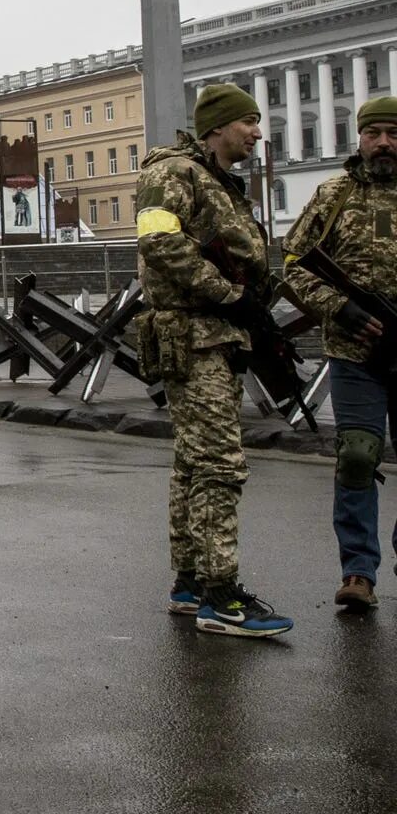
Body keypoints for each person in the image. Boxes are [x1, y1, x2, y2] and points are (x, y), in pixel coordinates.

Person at [135, 83, 293, 637]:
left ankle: (190, 583)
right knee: (221, 464)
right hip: (193, 334)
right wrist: (230, 296)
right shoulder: (173, 172)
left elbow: (248, 261)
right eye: (248, 122)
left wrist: (262, 305)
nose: (256, 132)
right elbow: (159, 243)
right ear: (217, 126)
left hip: (218, 337)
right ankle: (221, 597)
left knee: (193, 463)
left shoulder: (222, 184)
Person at [282, 96, 397, 612]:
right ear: (360, 138)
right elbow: (294, 262)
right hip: (354, 354)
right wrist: (339, 307)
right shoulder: (334, 195)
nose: (384, 143)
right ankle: (358, 572)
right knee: (356, 457)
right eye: (374, 134)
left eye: (393, 133)